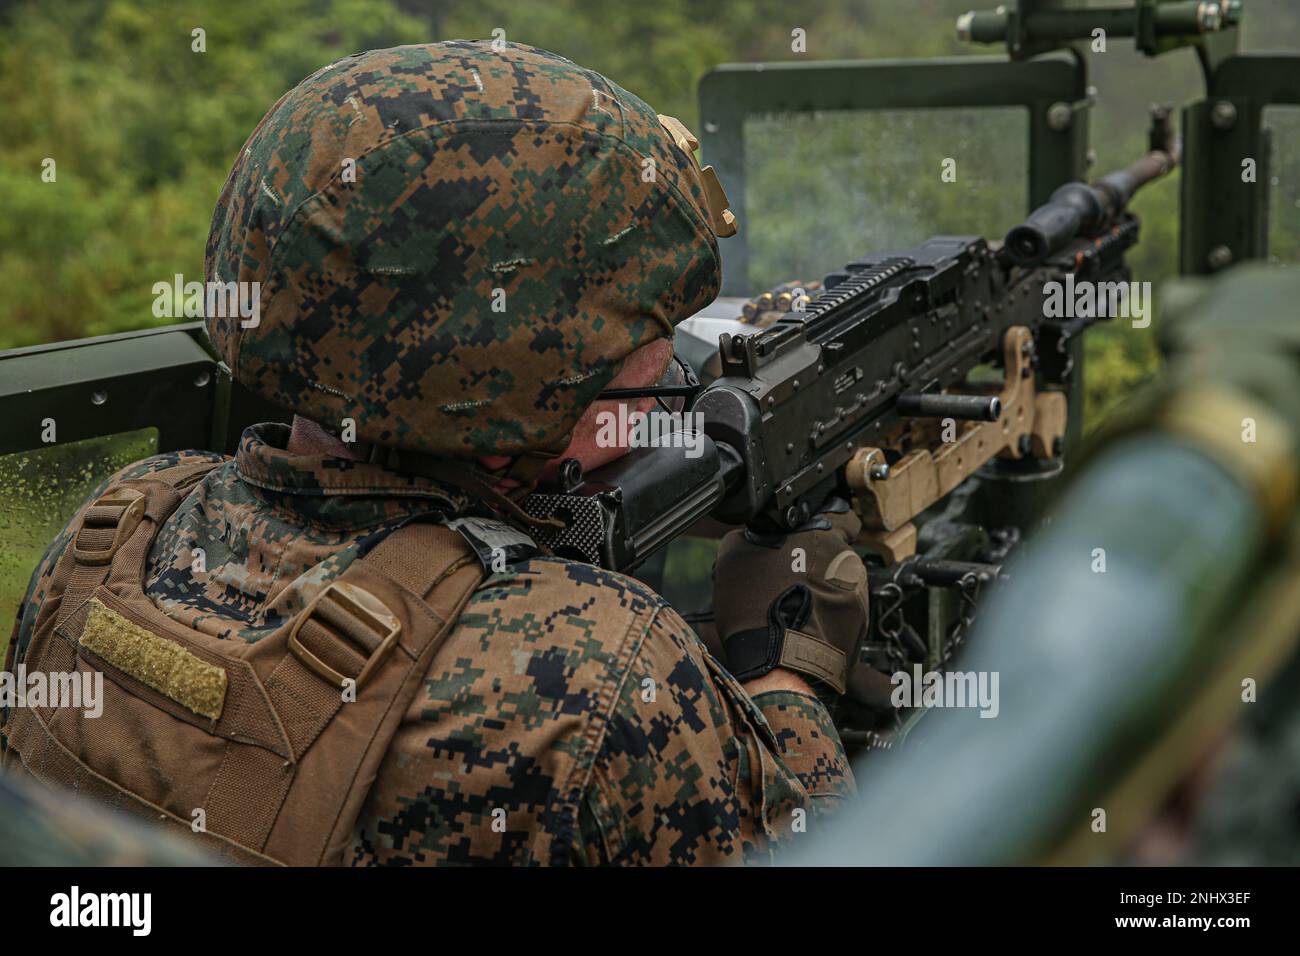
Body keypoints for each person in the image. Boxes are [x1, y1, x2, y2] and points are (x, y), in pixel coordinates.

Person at [1, 40, 865, 865]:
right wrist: (784, 677)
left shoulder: (112, 534)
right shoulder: (602, 674)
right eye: (641, 379)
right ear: (517, 386)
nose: (653, 409)